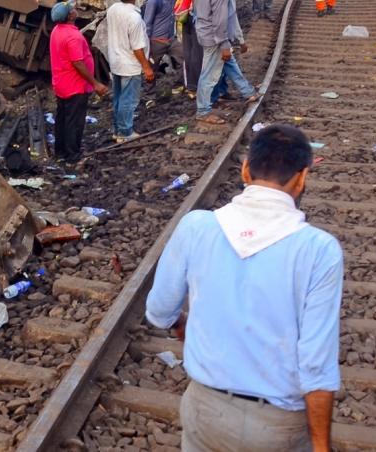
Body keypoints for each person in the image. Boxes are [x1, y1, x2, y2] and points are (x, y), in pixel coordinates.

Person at [146, 124, 340, 452]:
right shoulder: (319, 250)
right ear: (302, 177)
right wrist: (321, 447)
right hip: (279, 427)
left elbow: (159, 310)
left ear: (246, 170)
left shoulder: (197, 227)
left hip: (207, 412)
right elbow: (316, 364)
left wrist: (180, 323)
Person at [48, 1, 108, 163]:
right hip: (75, 85)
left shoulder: (56, 31)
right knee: (74, 121)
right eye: (72, 9)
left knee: (62, 118)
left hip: (61, 83)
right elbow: (78, 63)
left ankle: (60, 152)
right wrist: (95, 83)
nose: (75, 10)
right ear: (70, 15)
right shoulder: (73, 37)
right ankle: (72, 155)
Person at [192, 0, 238, 125]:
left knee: (214, 70)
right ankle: (203, 111)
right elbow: (220, 23)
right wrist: (225, 45)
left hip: (203, 31)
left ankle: (247, 91)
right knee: (209, 75)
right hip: (214, 37)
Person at [105, 0, 154, 143]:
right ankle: (125, 132)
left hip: (116, 61)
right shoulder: (134, 18)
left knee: (119, 97)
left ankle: (118, 129)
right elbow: (137, 48)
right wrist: (147, 68)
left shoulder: (113, 9)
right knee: (129, 100)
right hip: (130, 65)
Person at [143, 0, 180, 74]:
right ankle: (149, 90)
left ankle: (181, 84)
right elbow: (147, 24)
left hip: (172, 40)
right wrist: (148, 46)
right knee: (151, 69)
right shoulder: (153, 1)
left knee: (185, 60)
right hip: (157, 42)